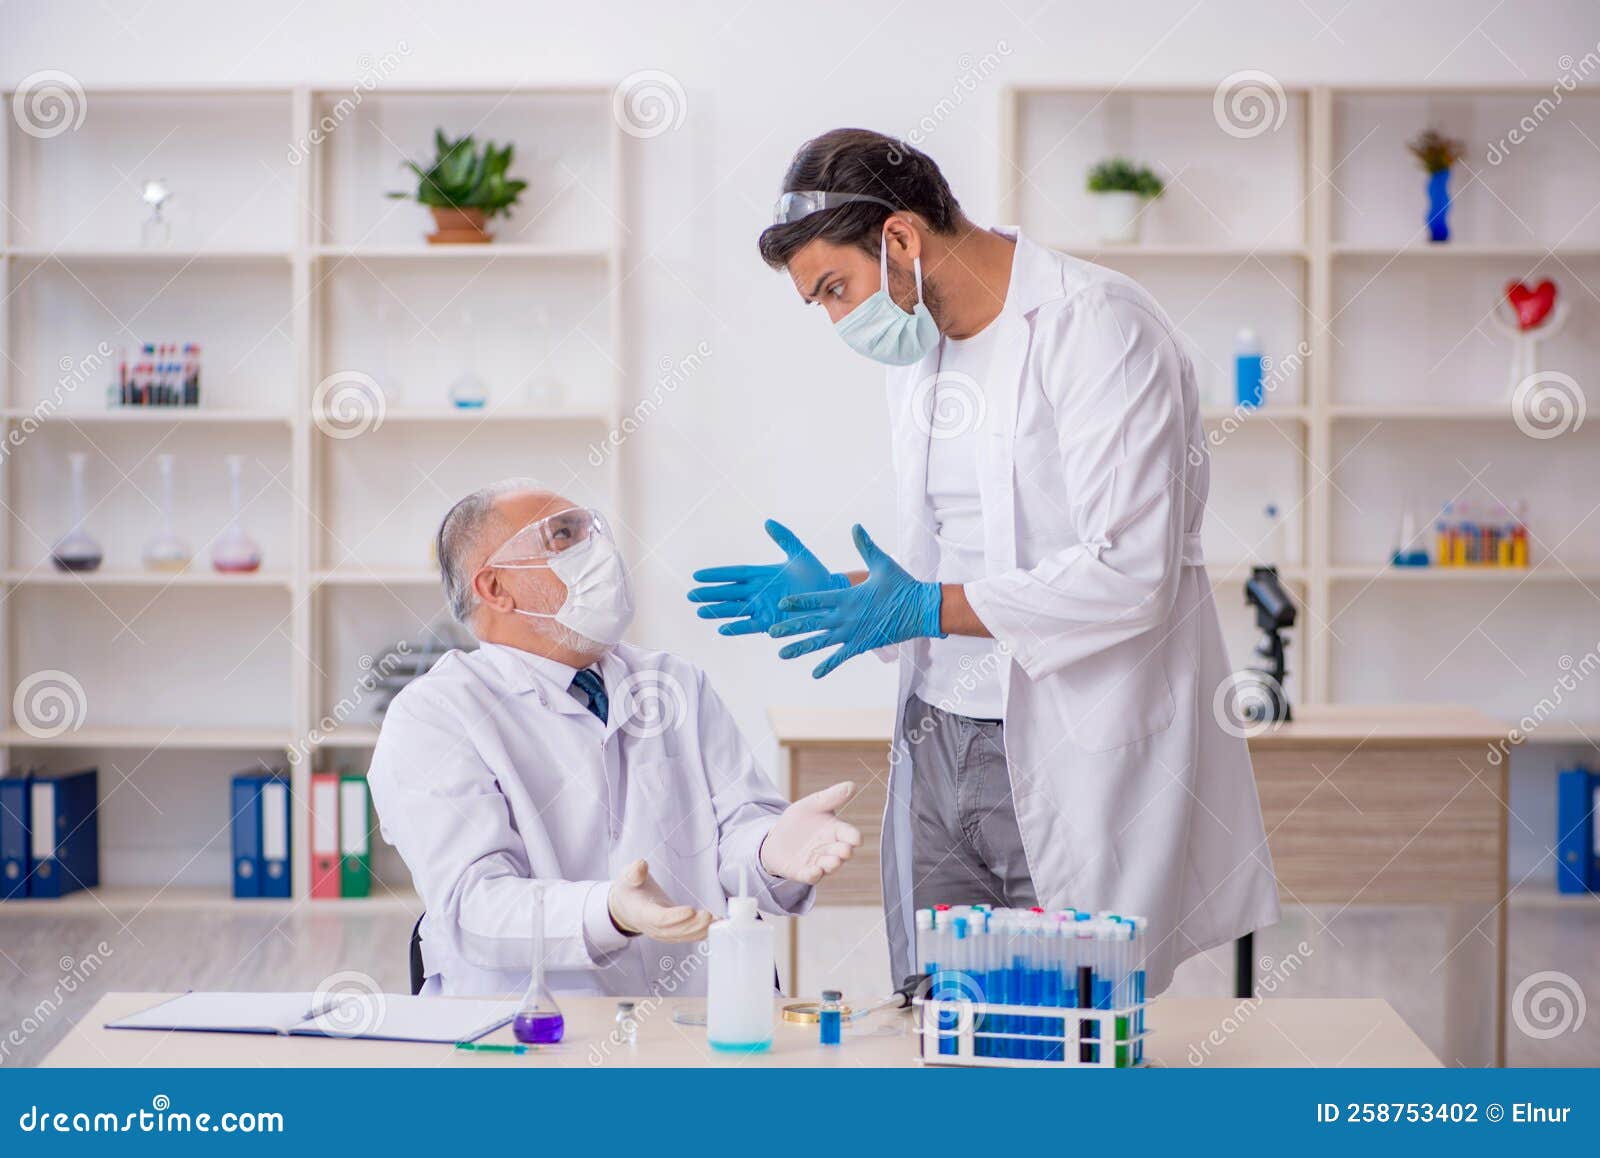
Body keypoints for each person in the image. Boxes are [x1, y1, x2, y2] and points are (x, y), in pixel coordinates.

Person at [688, 129, 1279, 994]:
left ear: (899, 238)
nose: (834, 318)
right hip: (936, 736)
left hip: (1066, 738)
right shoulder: (922, 351)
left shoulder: (1097, 327)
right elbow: (960, 559)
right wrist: (849, 596)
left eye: (834, 289)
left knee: (1065, 1020)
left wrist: (919, 607)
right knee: (937, 1011)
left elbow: (1129, 573)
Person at [370, 481, 860, 997]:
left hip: (706, 1018)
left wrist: (768, 850)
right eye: (563, 536)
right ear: (494, 587)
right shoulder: (434, 716)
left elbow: (735, 839)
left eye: (591, 531)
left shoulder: (673, 682)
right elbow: (474, 908)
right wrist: (608, 912)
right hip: (537, 1028)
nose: (598, 553)